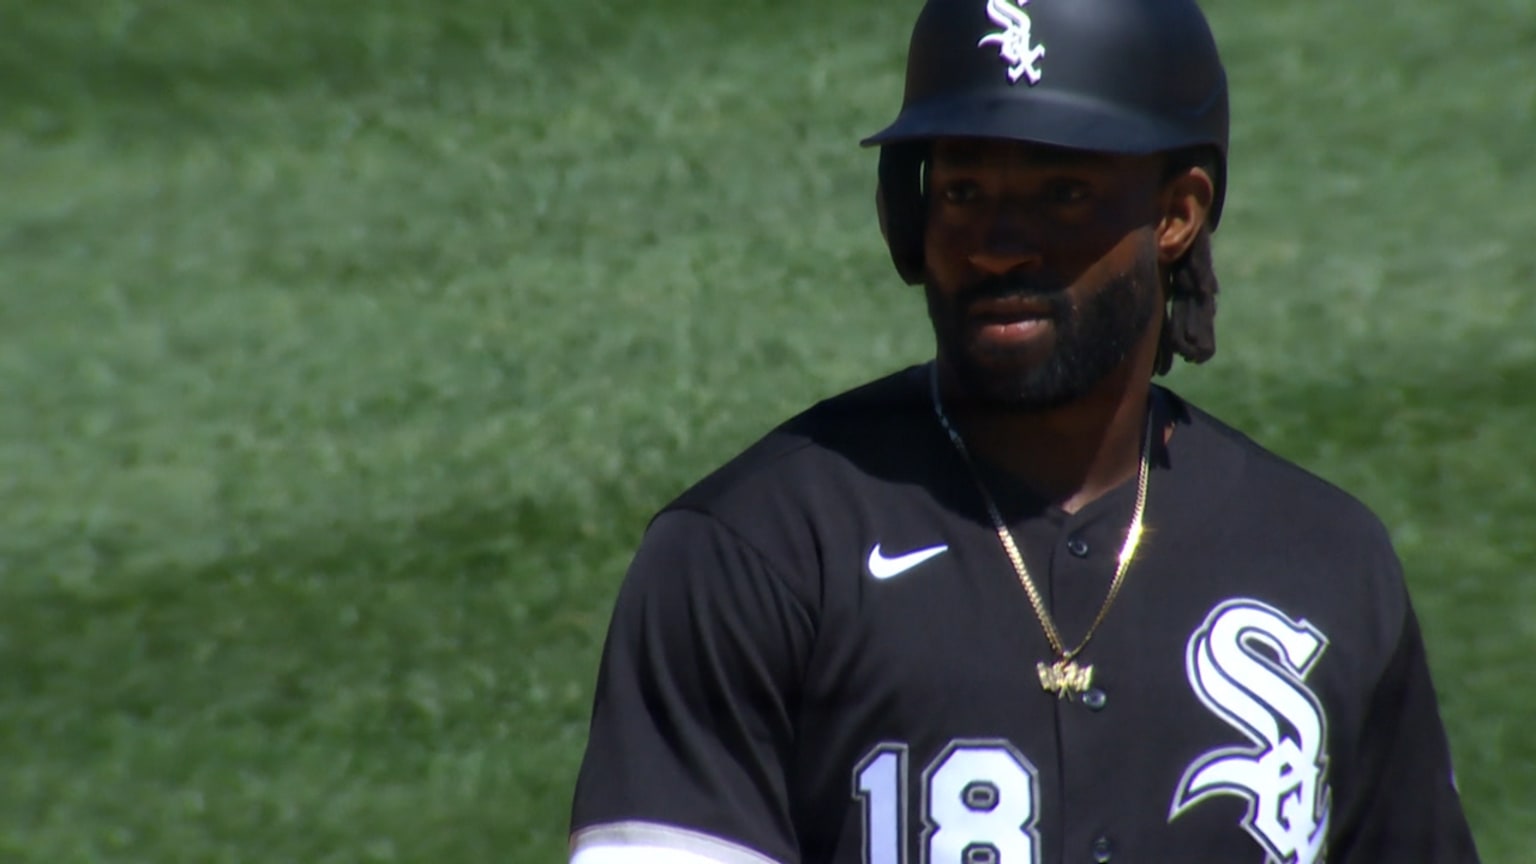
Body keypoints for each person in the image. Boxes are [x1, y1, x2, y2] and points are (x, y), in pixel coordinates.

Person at [567, 0, 1482, 861]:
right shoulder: (755, 556)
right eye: (963, 190)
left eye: (1063, 193)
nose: (999, 243)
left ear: (1177, 213)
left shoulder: (1323, 562)